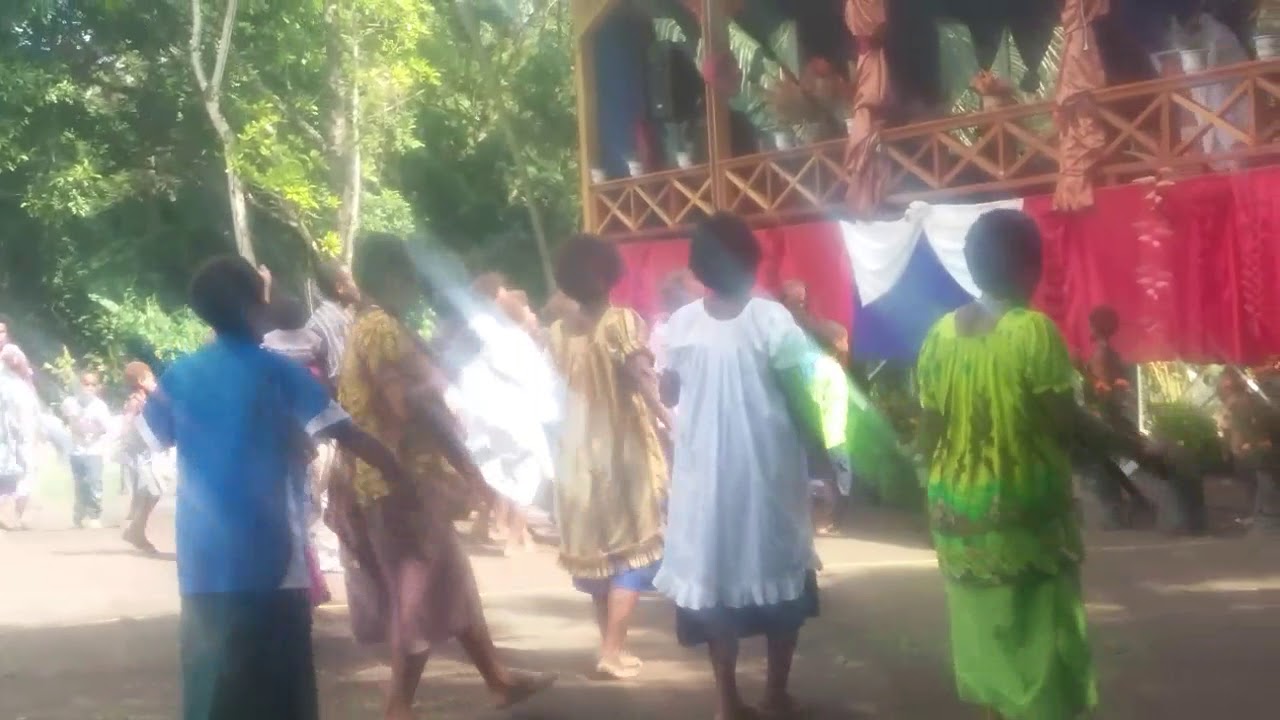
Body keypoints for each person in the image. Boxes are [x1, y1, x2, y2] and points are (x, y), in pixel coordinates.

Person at [134, 255, 410, 720]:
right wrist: (402, 476)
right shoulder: (279, 372)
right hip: (272, 555)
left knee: (211, 681)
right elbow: (344, 432)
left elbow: (144, 441)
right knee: (280, 682)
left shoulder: (179, 375)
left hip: (202, 560)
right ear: (251, 308)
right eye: (265, 295)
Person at [914, 210, 1162, 720]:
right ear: (1033, 268)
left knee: (986, 635)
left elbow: (928, 433)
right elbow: (1064, 422)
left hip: (958, 511)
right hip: (1024, 511)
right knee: (1040, 644)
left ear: (971, 266)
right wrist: (1137, 450)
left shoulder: (938, 336)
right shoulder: (1032, 332)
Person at [332, 233, 554, 720]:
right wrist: (471, 472)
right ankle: (399, 705)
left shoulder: (365, 328)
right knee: (416, 597)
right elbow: (411, 406)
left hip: (388, 481)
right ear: (394, 277)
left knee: (451, 582)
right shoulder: (384, 330)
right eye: (410, 277)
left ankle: (498, 679)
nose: (415, 288)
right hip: (402, 482)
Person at [654, 213, 822, 720]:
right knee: (779, 576)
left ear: (699, 267)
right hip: (766, 476)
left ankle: (728, 701)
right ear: (750, 261)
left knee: (716, 582)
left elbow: (668, 391)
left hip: (704, 478)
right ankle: (775, 692)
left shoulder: (681, 325)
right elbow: (802, 399)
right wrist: (825, 465)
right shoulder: (771, 320)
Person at [547, 233, 670, 680]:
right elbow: (640, 376)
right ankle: (612, 650)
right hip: (622, 451)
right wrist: (670, 421)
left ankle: (611, 644)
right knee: (636, 552)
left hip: (577, 452)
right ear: (606, 273)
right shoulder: (621, 321)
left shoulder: (557, 333)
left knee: (601, 556)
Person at [1079, 306, 1155, 529]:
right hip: (1110, 415)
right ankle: (1137, 498)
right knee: (1115, 463)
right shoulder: (1109, 351)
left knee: (1105, 465)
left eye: (1091, 324)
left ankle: (1124, 506)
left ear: (1096, 326)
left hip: (1103, 416)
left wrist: (1085, 374)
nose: (1088, 328)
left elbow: (1103, 388)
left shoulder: (1101, 353)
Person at [120, 361, 163, 552]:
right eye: (149, 377)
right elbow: (127, 422)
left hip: (148, 452)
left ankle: (136, 530)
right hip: (139, 454)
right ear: (140, 380)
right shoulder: (136, 400)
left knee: (152, 491)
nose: (154, 380)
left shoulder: (148, 398)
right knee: (152, 491)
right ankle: (135, 530)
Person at [61, 371, 112, 529]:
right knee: (80, 483)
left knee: (93, 482)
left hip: (94, 450)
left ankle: (94, 515)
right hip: (76, 450)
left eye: (92, 384)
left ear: (97, 387)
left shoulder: (100, 407)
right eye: (85, 383)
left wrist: (93, 432)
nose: (88, 387)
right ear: (80, 384)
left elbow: (107, 428)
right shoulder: (70, 403)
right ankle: (79, 514)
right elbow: (65, 420)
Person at [0, 345, 40, 530]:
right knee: (17, 472)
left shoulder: (20, 383)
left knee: (23, 471)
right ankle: (12, 514)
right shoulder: (11, 385)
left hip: (18, 434)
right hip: (12, 434)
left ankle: (17, 514)